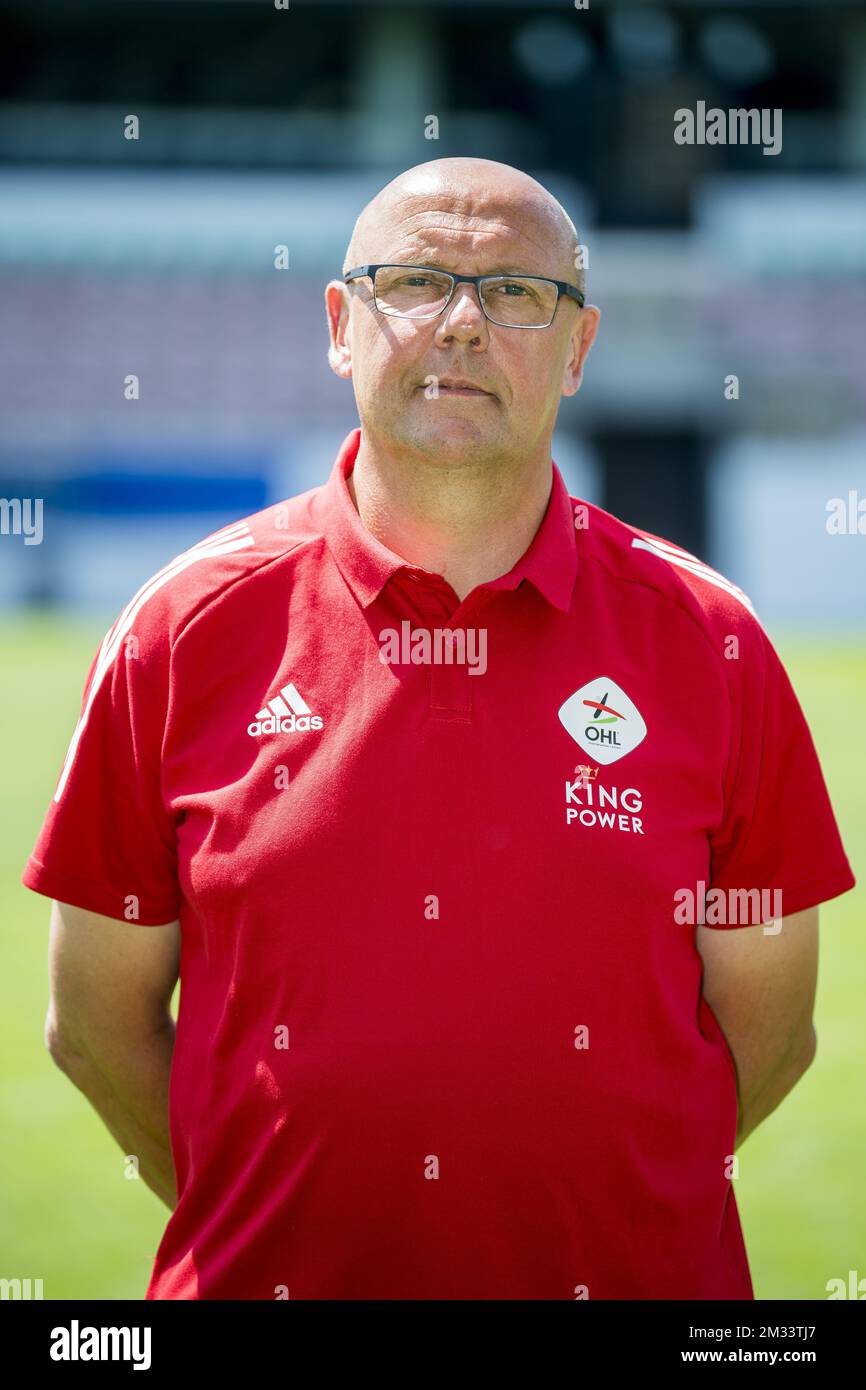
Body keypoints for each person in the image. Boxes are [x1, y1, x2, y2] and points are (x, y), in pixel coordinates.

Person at [22, 157, 855, 1300]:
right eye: (414, 281)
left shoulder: (710, 640)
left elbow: (771, 1034)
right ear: (338, 324)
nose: (461, 323)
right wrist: (272, 1215)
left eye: (516, 292)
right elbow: (96, 1027)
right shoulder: (179, 629)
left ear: (577, 347)